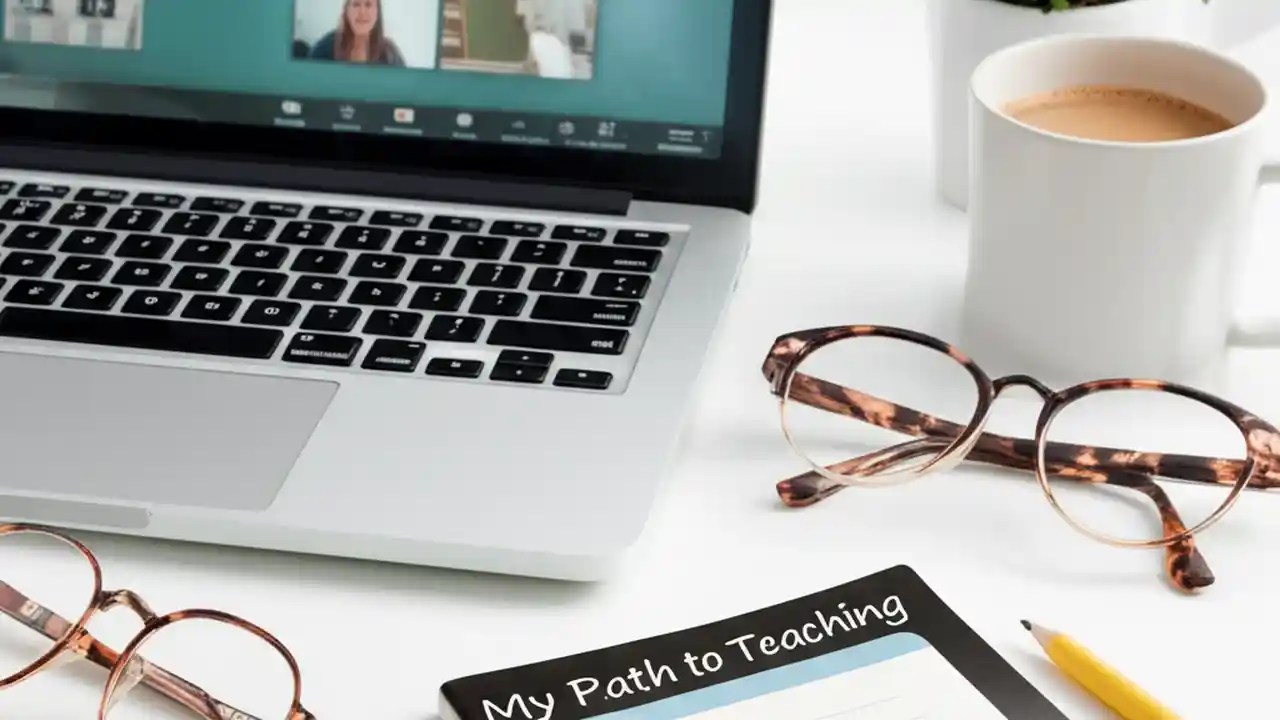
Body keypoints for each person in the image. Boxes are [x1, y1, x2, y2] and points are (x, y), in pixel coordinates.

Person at [310, 0, 405, 66]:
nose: (362, 12)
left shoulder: (390, 54)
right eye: (356, 4)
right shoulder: (325, 48)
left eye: (368, 4)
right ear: (347, 11)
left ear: (377, 12)